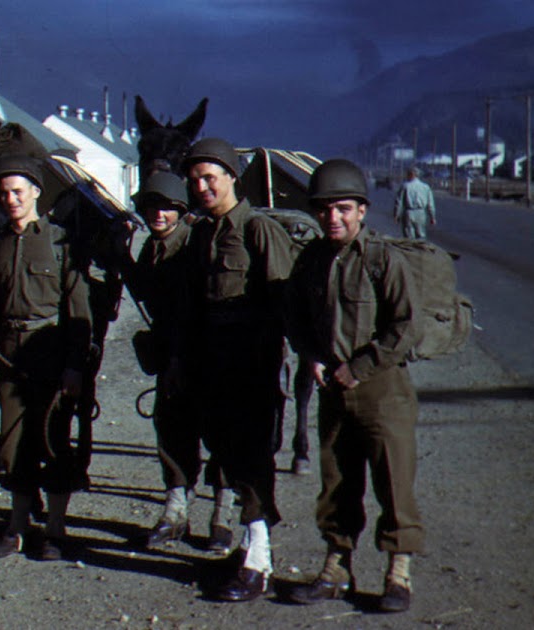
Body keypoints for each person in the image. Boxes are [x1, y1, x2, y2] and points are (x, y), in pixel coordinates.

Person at [285, 159, 423, 613]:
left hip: (383, 392)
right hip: (332, 393)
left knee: (393, 483)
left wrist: (360, 366)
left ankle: (398, 574)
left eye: (343, 208)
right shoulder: (310, 260)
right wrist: (313, 357)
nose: (333, 218)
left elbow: (406, 326)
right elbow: (296, 319)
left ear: (362, 210)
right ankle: (336, 568)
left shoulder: (385, 259)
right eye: (324, 210)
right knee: (336, 484)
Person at [0, 154, 92, 561]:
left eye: (18, 192)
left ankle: (57, 530)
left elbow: (79, 312)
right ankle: (17, 529)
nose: (10, 199)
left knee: (54, 441)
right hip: (10, 359)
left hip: (52, 353)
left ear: (36, 193)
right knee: (12, 447)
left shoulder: (63, 243)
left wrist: (75, 366)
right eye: (5, 193)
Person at [182, 138, 295, 601]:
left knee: (251, 459)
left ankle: (260, 562)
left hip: (250, 363)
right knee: (226, 455)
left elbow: (282, 300)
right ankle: (249, 546)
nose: (203, 187)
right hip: (213, 363)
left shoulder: (257, 229)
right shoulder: (204, 232)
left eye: (211, 177)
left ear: (233, 177)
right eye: (195, 181)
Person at [123, 171, 229, 549]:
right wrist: (120, 257)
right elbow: (148, 294)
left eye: (167, 208)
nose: (158, 215)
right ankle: (176, 509)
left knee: (217, 433)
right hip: (171, 353)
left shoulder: (193, 244)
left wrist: (180, 359)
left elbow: (192, 307)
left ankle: (222, 510)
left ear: (182, 211)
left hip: (203, 353)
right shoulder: (151, 247)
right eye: (151, 208)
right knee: (171, 432)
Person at [393, 168, 436, 239]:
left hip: (409, 212)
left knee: (409, 236)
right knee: (421, 235)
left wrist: (396, 215)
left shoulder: (405, 186)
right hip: (421, 213)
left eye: (408, 174)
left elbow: (399, 202)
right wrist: (432, 217)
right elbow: (430, 204)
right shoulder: (425, 187)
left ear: (411, 175)